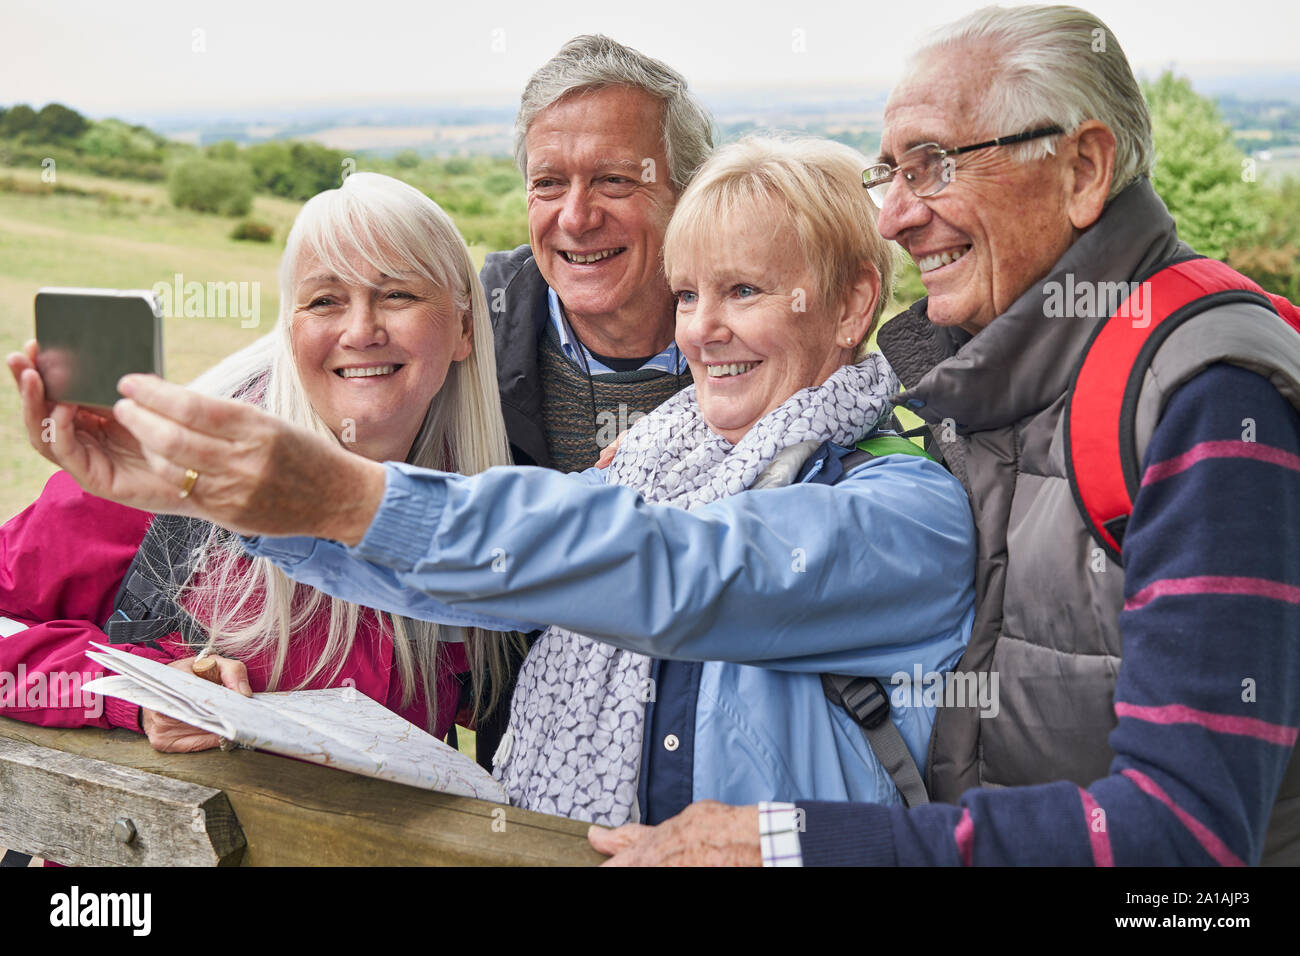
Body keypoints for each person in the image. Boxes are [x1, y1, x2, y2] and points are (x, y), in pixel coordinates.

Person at [10, 135, 977, 831]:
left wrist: (338, 500)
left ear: (853, 303)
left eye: (746, 291)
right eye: (688, 294)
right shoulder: (654, 465)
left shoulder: (903, 510)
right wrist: (212, 498)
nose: (702, 330)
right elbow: (504, 569)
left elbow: (675, 574)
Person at [588, 4, 1300, 866]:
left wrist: (791, 843)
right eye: (886, 173)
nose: (892, 217)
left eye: (930, 166)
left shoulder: (1209, 397)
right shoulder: (1000, 377)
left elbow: (1185, 839)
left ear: (1081, 168)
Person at [0, 171, 518, 758]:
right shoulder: (168, 468)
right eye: (325, 300)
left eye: (397, 294)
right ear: (290, 329)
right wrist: (143, 692)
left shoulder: (478, 511)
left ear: (464, 329)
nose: (361, 330)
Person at [483, 34, 714, 474]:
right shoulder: (468, 336)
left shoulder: (766, 332)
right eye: (548, 183)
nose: (574, 219)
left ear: (689, 193)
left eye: (613, 180)